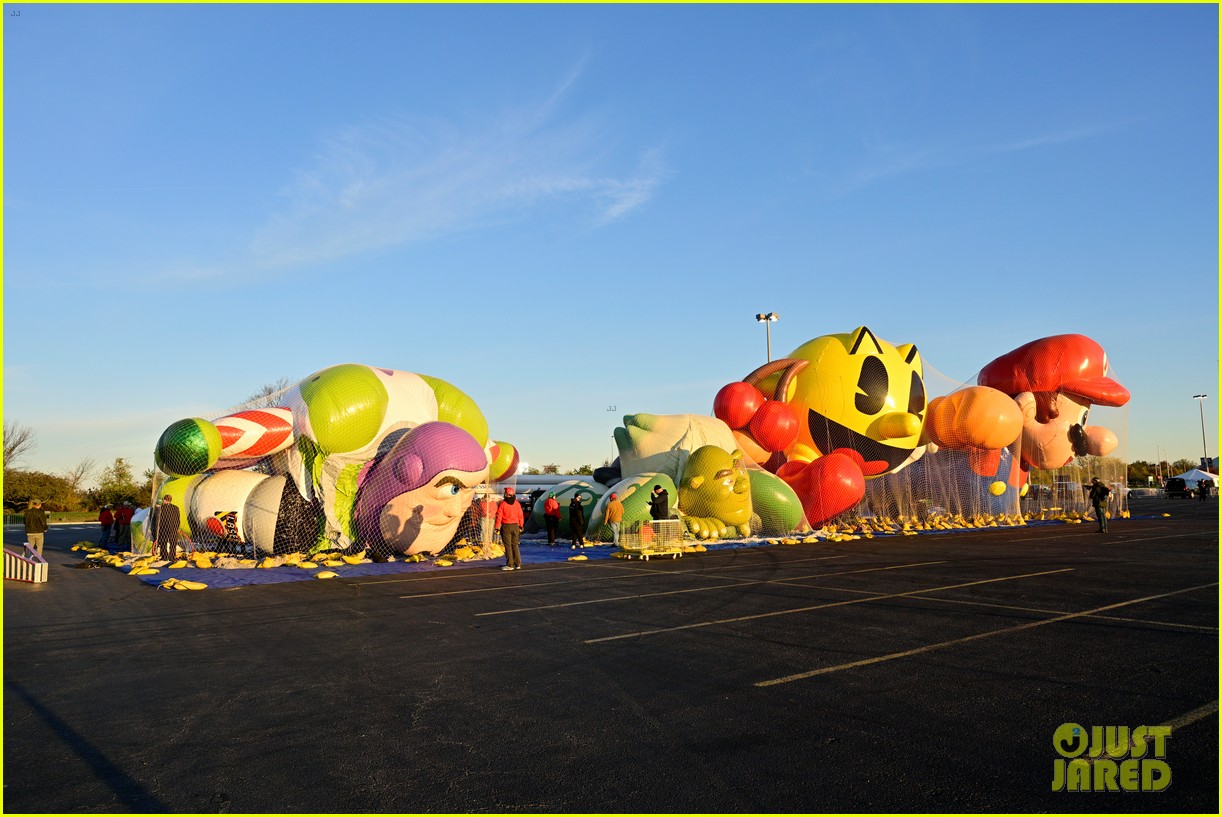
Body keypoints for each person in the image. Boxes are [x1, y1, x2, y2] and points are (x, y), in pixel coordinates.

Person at [495, 487, 524, 571]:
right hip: (515, 526)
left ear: (507, 494)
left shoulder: (503, 504)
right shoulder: (517, 503)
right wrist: (521, 525)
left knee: (508, 546)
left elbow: (499, 516)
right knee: (515, 545)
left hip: (506, 526)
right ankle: (518, 564)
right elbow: (520, 515)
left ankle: (510, 564)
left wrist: (497, 527)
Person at [151, 494, 182, 561]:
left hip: (163, 528)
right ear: (170, 500)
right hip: (173, 528)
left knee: (163, 542)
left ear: (164, 500)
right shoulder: (176, 508)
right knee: (173, 543)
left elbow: (156, 519)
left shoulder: (160, 508)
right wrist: (176, 527)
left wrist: (156, 528)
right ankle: (172, 556)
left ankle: (164, 556)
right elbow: (178, 519)